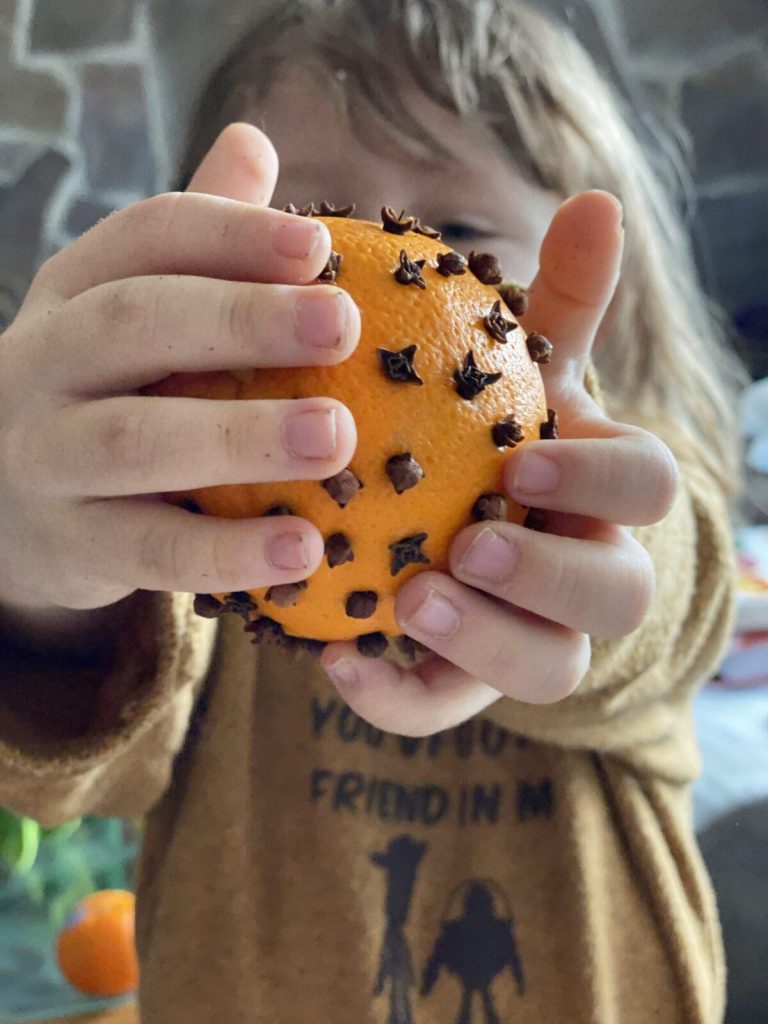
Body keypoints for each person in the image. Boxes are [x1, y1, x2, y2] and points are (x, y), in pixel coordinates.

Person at [0, 1, 748, 1021]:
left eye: (465, 236)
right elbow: (77, 769)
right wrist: (39, 574)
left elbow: (682, 605)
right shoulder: (195, 541)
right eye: (311, 233)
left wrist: (591, 555)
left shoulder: (617, 479)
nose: (377, 283)